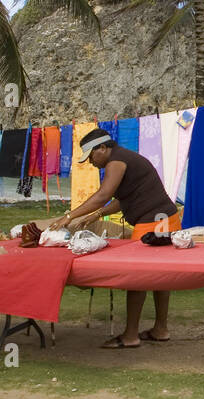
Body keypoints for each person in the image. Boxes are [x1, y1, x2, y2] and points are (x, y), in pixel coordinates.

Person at [57, 128, 180, 349]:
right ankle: (160, 329)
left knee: (137, 278)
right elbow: (124, 199)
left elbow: (104, 195)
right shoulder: (126, 159)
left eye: (91, 156)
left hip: (152, 221)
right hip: (166, 218)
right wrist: (97, 214)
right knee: (160, 277)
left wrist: (69, 217)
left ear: (103, 148)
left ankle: (131, 335)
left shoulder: (117, 161)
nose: (91, 163)